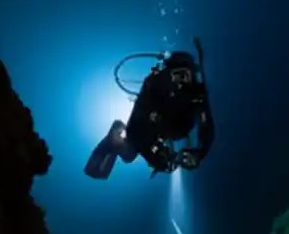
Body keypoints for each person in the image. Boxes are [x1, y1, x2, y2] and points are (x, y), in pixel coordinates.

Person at [84, 38, 214, 179]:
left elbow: (206, 127)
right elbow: (138, 130)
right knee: (127, 156)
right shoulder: (154, 84)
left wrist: (200, 152)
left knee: (129, 155)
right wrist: (156, 159)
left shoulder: (197, 94)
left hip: (167, 129)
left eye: (185, 76)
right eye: (177, 75)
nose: (180, 83)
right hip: (147, 130)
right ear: (168, 74)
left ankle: (118, 139)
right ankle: (115, 134)